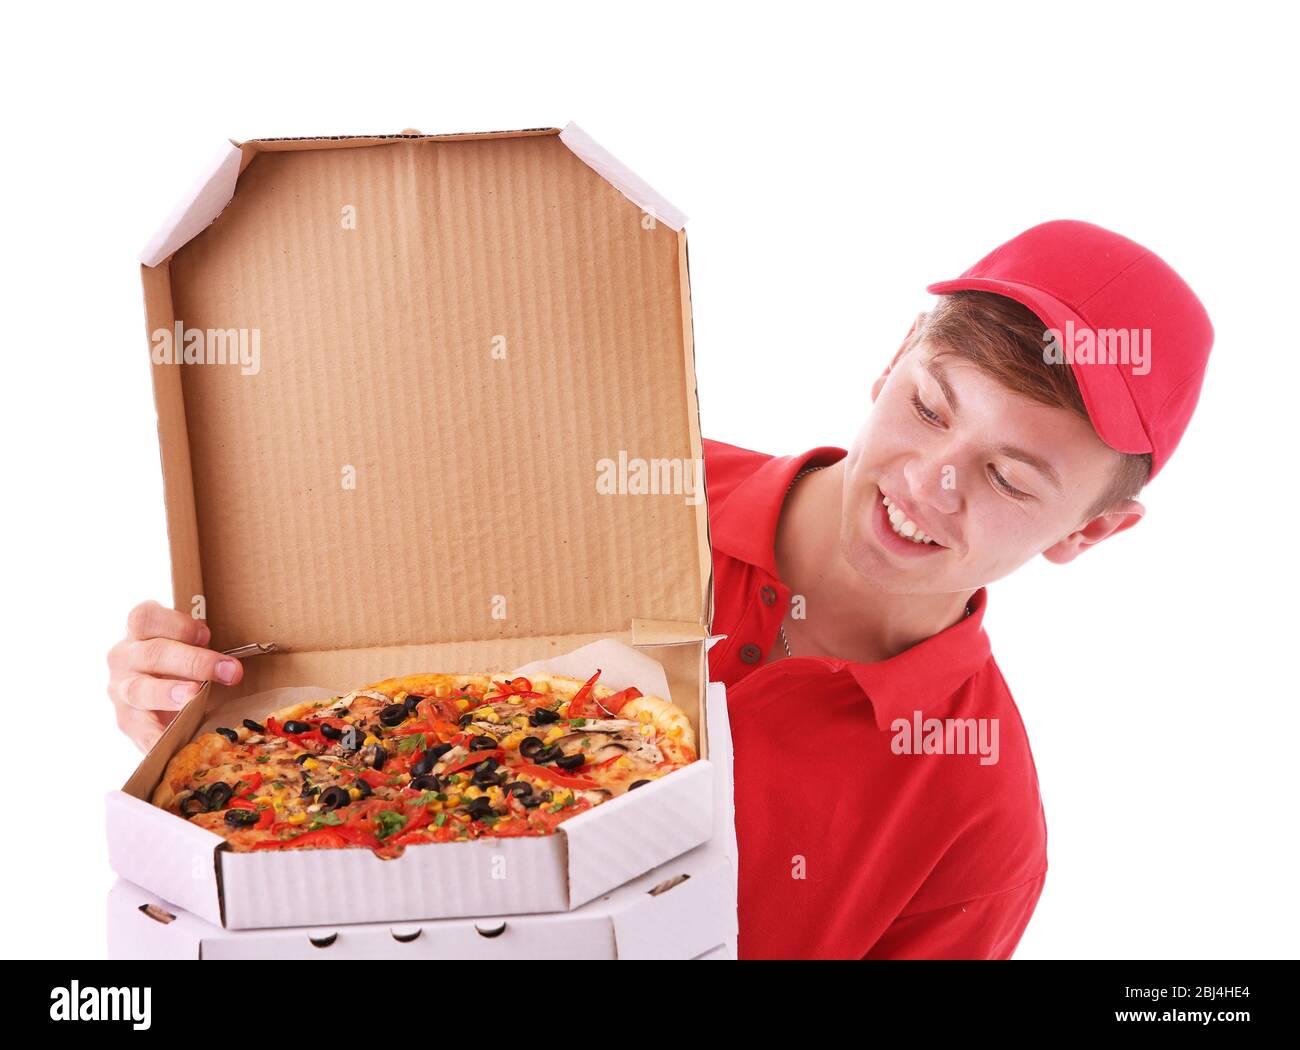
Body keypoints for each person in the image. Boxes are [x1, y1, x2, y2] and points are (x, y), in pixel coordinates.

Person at [106, 220, 1214, 959]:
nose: (930, 482)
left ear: (1095, 533)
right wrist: (197, 681)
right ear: (889, 362)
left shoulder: (976, 824)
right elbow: (324, 681)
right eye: (930, 407)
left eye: (1010, 477)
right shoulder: (616, 491)